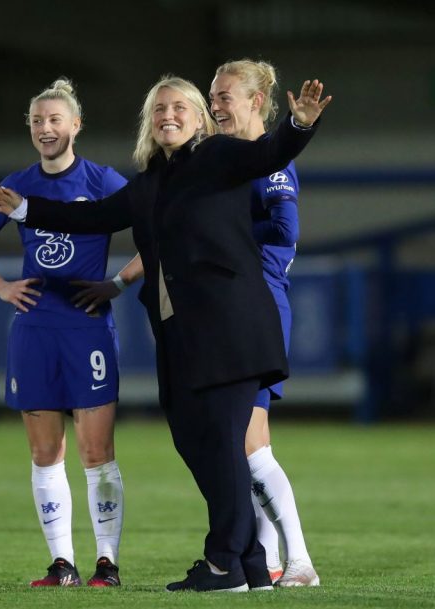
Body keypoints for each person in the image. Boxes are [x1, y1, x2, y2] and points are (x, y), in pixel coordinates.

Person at [0, 73, 332, 593]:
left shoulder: (218, 157)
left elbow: (270, 155)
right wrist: (26, 209)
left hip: (229, 332)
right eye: (158, 109)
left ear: (201, 118)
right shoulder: (149, 182)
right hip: (183, 337)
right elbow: (96, 216)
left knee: (224, 446)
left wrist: (300, 123)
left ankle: (224, 565)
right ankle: (252, 562)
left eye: (179, 108)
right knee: (198, 443)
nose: (167, 115)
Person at [71, 59, 320, 587]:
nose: (215, 105)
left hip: (248, 307)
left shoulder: (251, 161)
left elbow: (283, 231)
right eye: (213, 96)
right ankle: (258, 559)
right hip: (207, 311)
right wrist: (127, 280)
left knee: (248, 447)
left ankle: (292, 559)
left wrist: (220, 250)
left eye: (223, 97)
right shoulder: (199, 164)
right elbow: (164, 238)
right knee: (232, 447)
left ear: (255, 102)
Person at [0, 78, 127, 588]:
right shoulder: (17, 185)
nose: (45, 129)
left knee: (96, 453)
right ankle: (62, 564)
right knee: (44, 453)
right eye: (37, 121)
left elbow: (158, 230)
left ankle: (107, 563)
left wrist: (118, 282)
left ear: (77, 126)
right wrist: (1, 289)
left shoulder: (104, 182)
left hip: (88, 329)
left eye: (55, 120)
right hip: (36, 330)